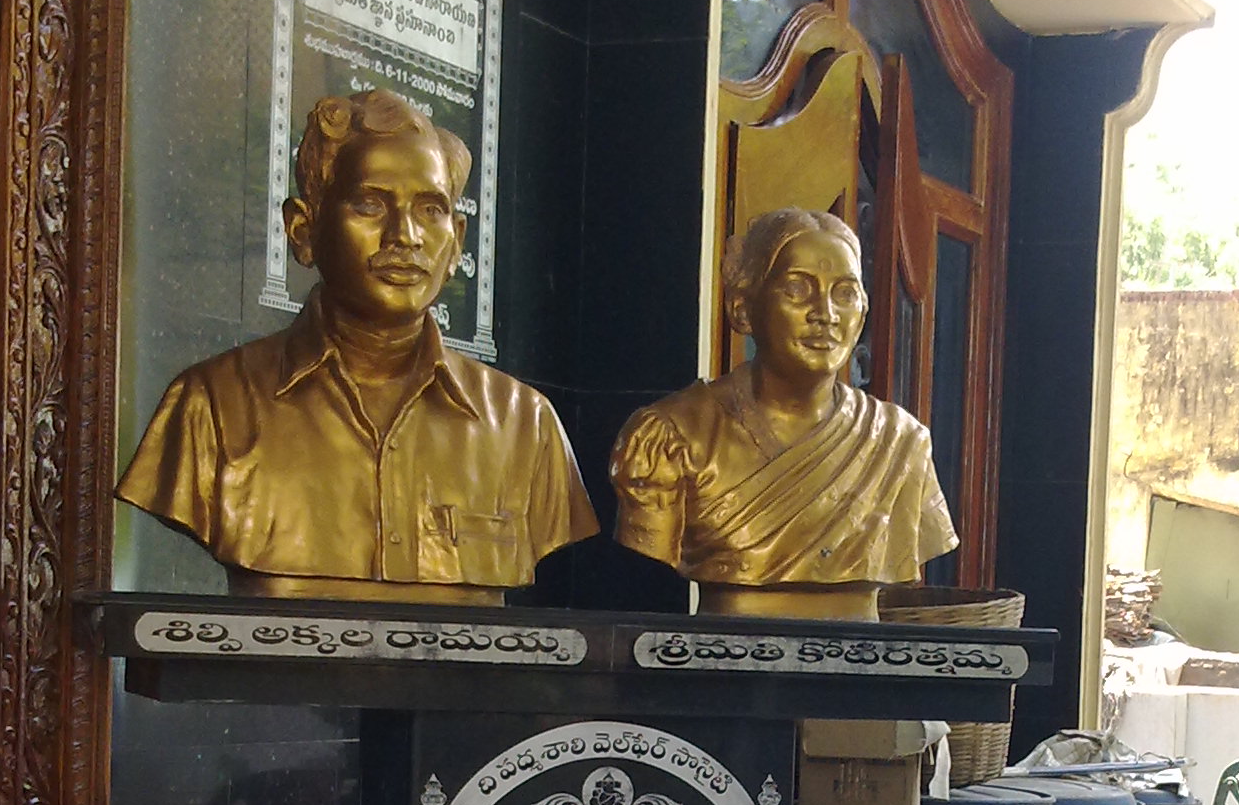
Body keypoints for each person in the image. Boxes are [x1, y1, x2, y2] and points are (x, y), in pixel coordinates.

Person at [117, 91, 595, 600]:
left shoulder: (525, 427)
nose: (404, 236)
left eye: (430, 209)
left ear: (456, 241)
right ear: (304, 231)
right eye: (370, 204)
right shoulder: (210, 408)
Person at [609, 207, 954, 619]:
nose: (825, 313)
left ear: (862, 312)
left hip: (859, 653)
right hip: (726, 654)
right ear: (743, 308)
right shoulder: (672, 435)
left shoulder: (900, 444)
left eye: (845, 293)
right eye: (797, 289)